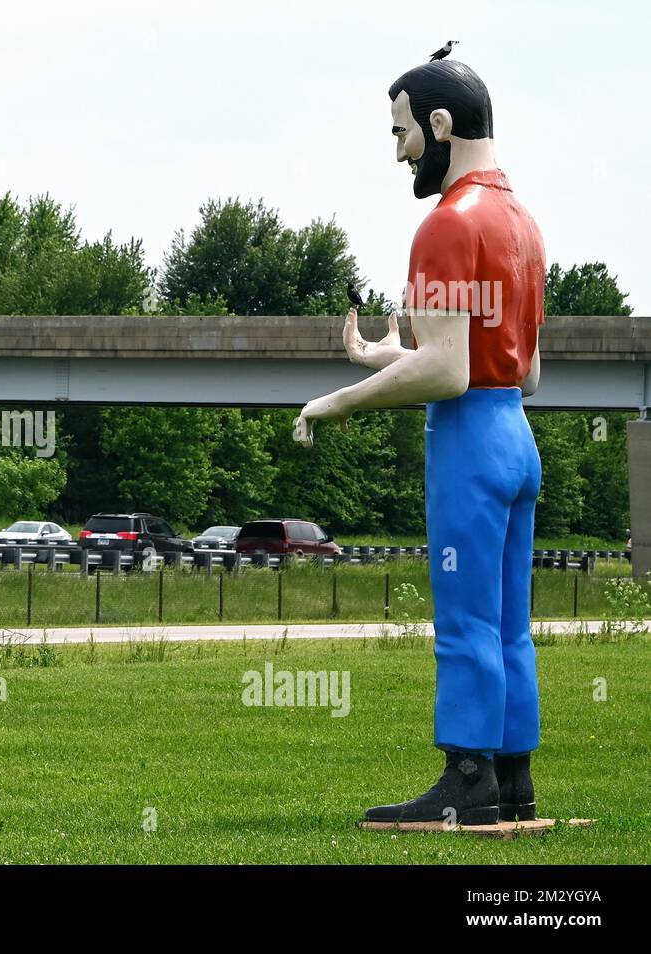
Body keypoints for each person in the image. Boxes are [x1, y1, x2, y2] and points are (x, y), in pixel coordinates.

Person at [294, 58, 546, 826]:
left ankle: (465, 782)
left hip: (469, 446)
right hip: (517, 438)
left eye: (402, 131)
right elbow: (518, 368)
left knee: (465, 617)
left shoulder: (446, 224)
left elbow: (445, 371)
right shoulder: (522, 225)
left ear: (440, 126)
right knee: (510, 624)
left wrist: (335, 400)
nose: (400, 151)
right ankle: (511, 778)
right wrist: (383, 357)